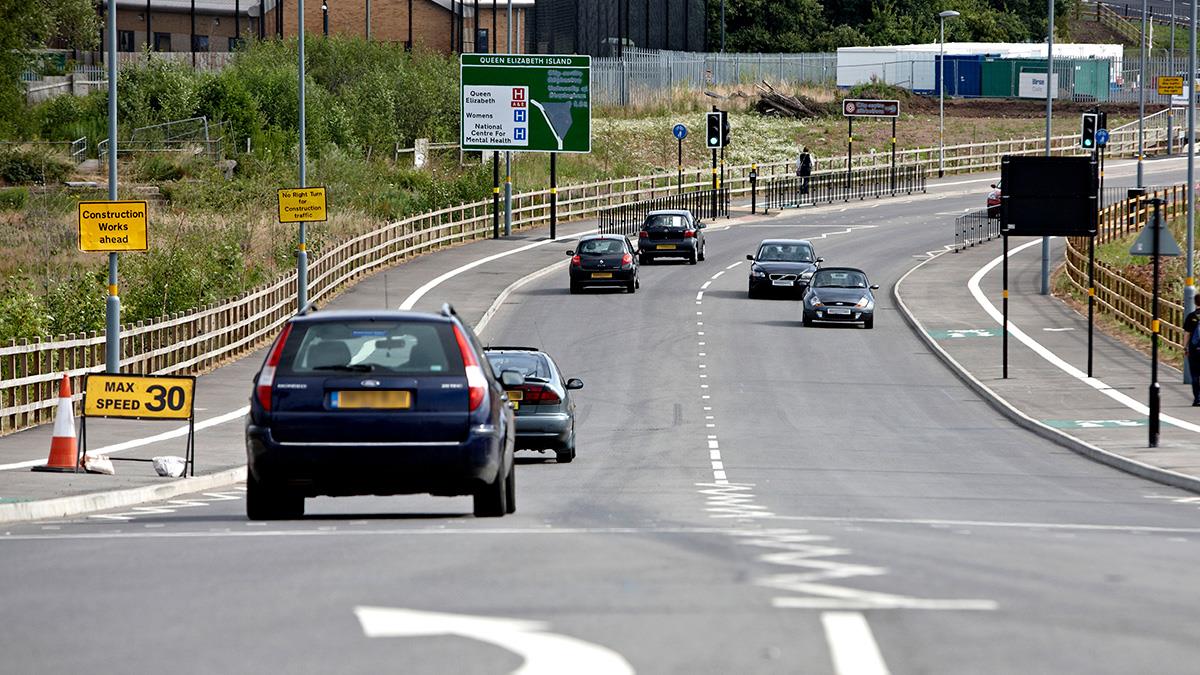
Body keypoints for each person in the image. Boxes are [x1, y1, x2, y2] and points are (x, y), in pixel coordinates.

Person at [1186, 307, 1200, 406]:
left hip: (1194, 349)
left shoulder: (1191, 316)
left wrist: (1185, 347)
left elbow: (1186, 334)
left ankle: (1197, 399)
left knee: (1195, 375)